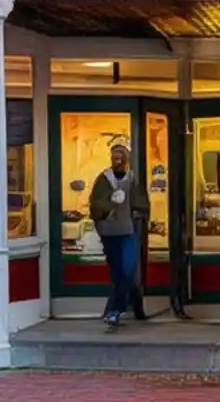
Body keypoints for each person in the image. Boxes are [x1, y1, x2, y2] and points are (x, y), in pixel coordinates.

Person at [89, 139, 148, 327]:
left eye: (121, 157)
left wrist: (136, 212)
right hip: (109, 232)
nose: (118, 160)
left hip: (128, 230)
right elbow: (95, 205)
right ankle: (119, 309)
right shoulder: (103, 179)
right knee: (117, 272)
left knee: (128, 268)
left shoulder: (132, 179)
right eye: (115, 157)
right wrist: (110, 205)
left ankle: (115, 309)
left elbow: (142, 203)